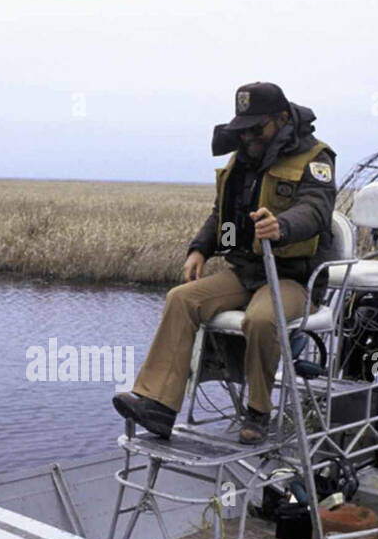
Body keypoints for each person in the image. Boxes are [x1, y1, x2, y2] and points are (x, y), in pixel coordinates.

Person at [113, 81, 338, 444]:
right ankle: (157, 404)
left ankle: (259, 412)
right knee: (182, 298)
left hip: (294, 279)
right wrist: (201, 248)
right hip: (247, 272)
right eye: (243, 129)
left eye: (256, 128)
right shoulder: (242, 161)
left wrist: (281, 226)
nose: (248, 136)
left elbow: (315, 209)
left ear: (281, 119)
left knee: (263, 318)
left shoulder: (316, 159)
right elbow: (225, 217)